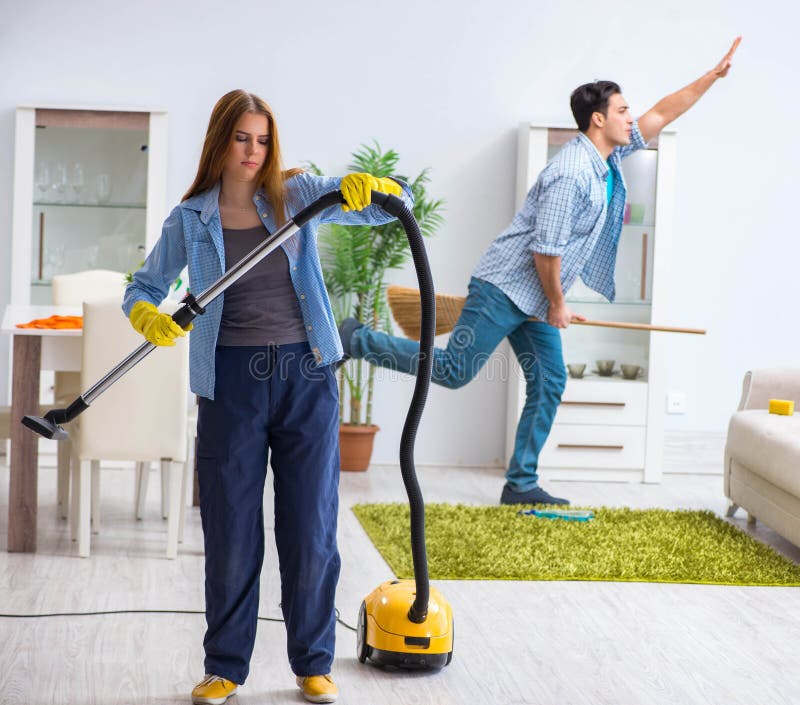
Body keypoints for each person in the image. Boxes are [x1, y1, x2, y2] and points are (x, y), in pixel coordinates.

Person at [340, 37, 741, 507]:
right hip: (505, 288)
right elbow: (545, 252)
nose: (632, 119)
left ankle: (520, 482)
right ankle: (355, 340)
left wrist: (710, 78)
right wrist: (558, 304)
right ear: (599, 118)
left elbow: (661, 114)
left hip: (535, 298)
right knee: (452, 370)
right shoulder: (571, 172)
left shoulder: (606, 160)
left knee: (550, 379)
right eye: (623, 111)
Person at [123, 89, 413, 705]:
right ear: (220, 142)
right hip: (230, 383)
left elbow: (396, 208)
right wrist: (148, 314)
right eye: (241, 138)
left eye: (262, 139)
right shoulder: (190, 220)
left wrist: (374, 186)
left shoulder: (298, 196)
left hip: (307, 376)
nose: (253, 151)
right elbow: (142, 286)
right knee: (231, 530)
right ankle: (225, 666)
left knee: (311, 526)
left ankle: (312, 661)